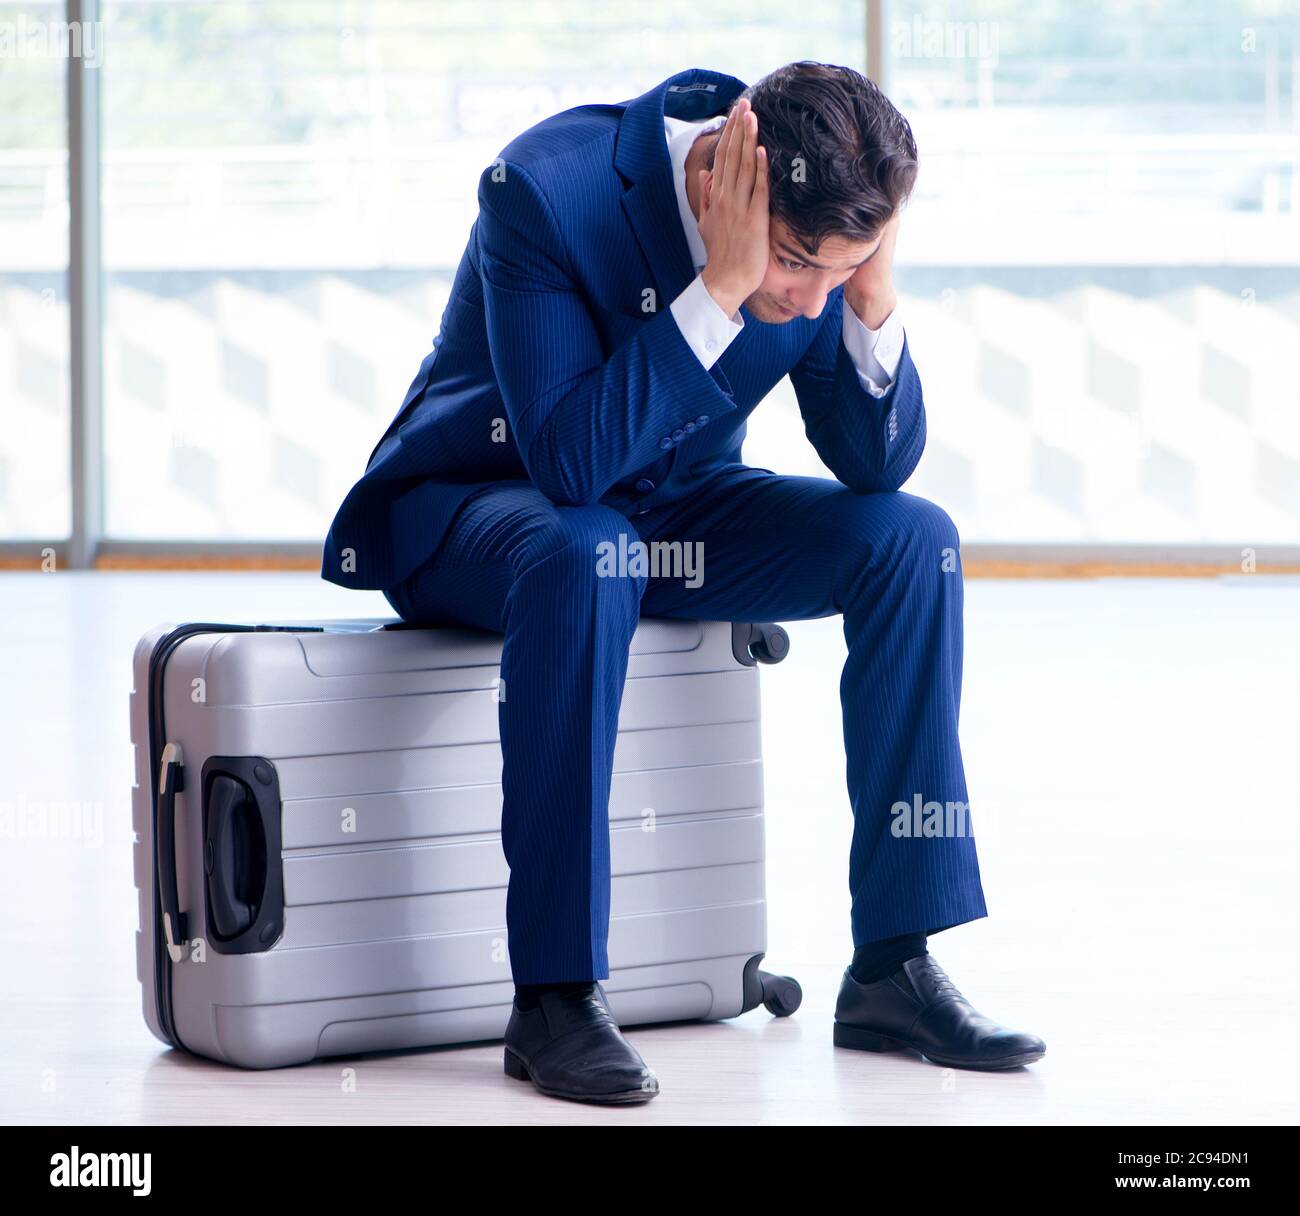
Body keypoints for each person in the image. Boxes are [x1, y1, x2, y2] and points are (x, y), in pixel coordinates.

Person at [321, 61, 1046, 1105]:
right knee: (588, 547)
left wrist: (868, 298)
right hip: (481, 507)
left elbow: (874, 468)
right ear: (731, 171)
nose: (801, 298)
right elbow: (567, 468)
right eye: (796, 263)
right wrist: (717, 290)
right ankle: (556, 994)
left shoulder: (822, 262)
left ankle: (892, 963)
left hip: (674, 511)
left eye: (837, 273)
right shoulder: (544, 192)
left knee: (912, 539)